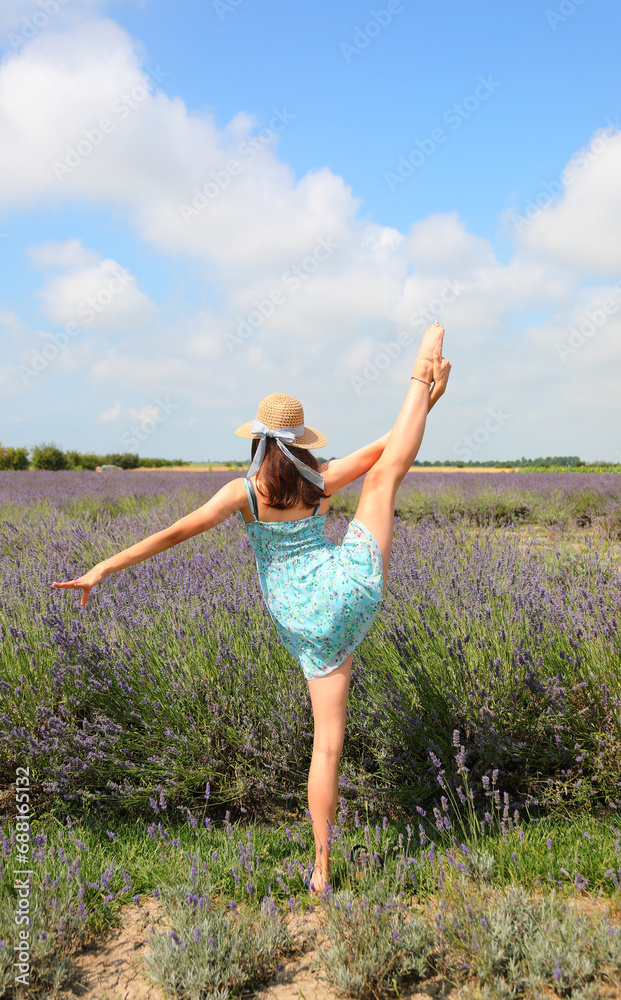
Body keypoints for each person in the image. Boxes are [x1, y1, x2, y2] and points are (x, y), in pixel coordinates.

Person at [53, 321, 451, 897]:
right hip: (348, 589)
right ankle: (418, 370)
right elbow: (387, 450)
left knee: (326, 745)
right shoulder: (316, 480)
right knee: (385, 479)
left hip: (306, 622)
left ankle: (320, 868)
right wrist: (427, 397)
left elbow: (172, 533)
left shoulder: (244, 492)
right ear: (300, 441)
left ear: (257, 441)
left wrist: (103, 568)